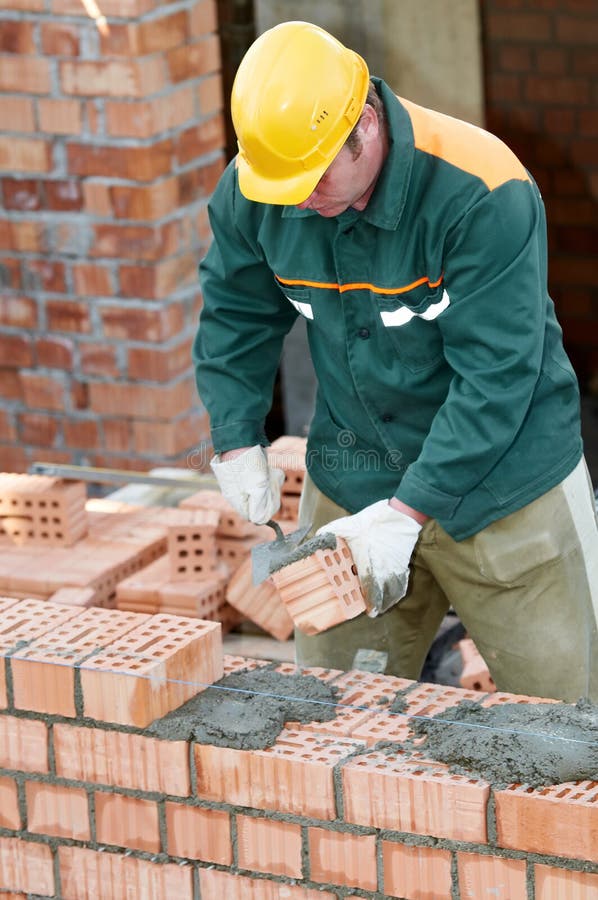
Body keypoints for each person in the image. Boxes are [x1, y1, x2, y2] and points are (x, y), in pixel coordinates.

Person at [194, 20, 598, 702]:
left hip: (507, 487)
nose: (299, 202)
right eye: (284, 186)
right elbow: (236, 312)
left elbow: (498, 377)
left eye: (315, 180)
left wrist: (409, 512)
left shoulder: (482, 191)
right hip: (356, 476)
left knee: (566, 726)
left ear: (367, 125)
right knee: (331, 712)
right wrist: (235, 436)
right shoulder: (263, 187)